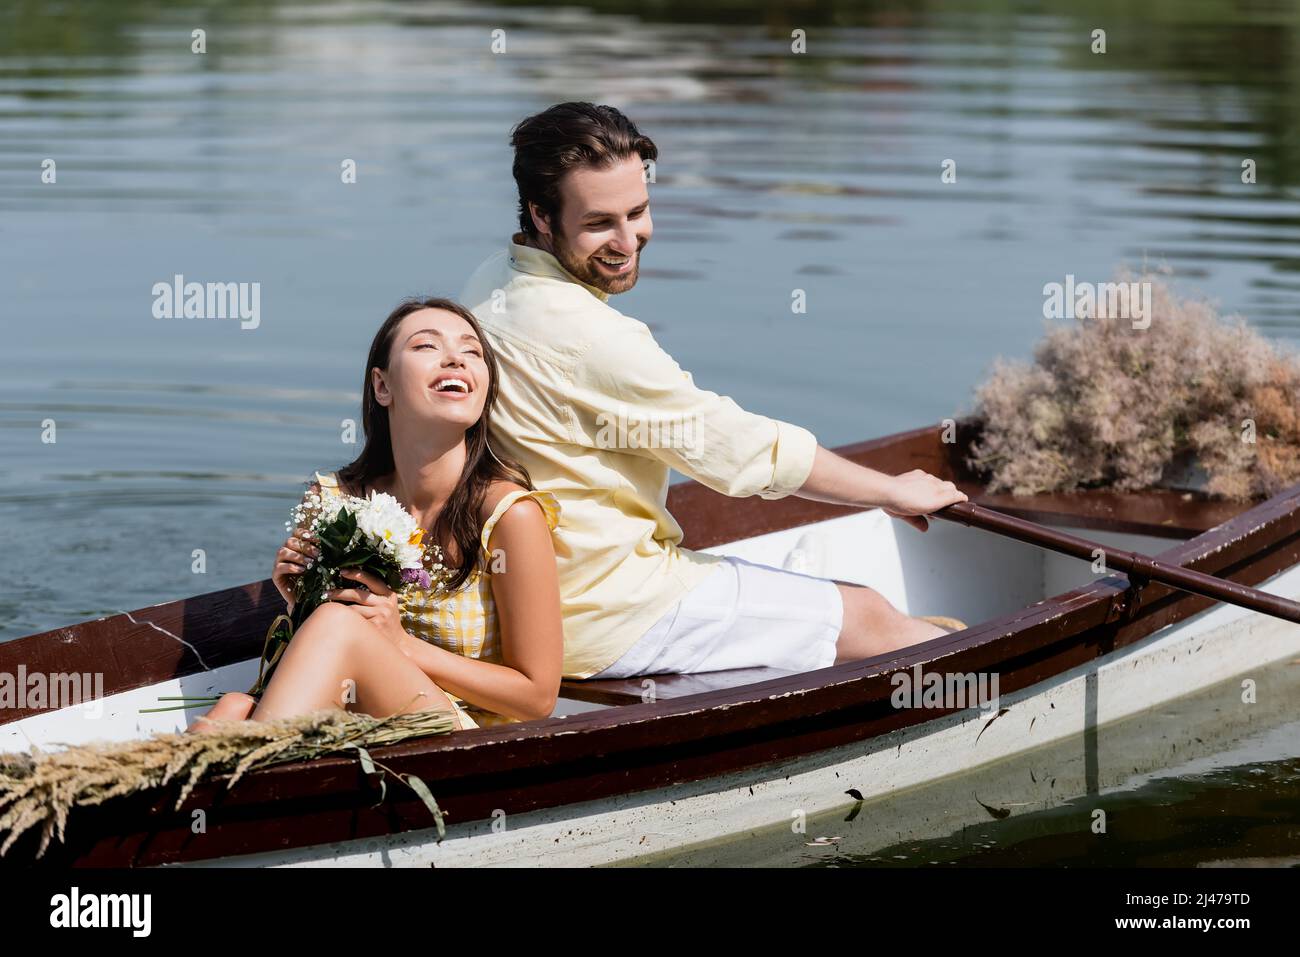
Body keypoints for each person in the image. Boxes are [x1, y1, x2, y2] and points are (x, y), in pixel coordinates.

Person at [458, 101, 969, 682]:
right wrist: (891, 491)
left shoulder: (489, 281)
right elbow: (737, 449)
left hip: (519, 603)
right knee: (871, 615)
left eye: (639, 211)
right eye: (601, 222)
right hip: (606, 612)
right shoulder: (594, 339)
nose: (628, 240)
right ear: (541, 216)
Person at [189, 298, 563, 732]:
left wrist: (401, 644)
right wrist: (300, 601)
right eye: (426, 346)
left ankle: (237, 770)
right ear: (381, 386)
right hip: (354, 720)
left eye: (472, 351)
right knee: (231, 707)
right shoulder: (335, 502)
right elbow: (326, 655)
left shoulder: (508, 516)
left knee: (334, 629)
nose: (456, 358)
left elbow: (537, 697)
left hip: (461, 739)